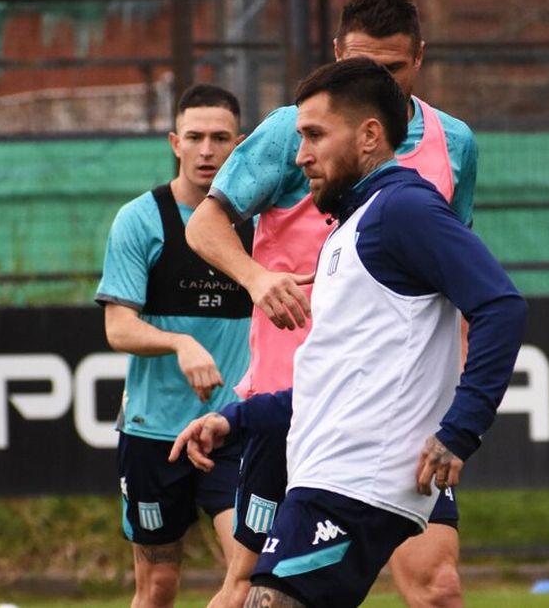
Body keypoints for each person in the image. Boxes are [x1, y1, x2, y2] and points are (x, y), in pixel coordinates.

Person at [172, 58, 526, 607]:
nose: (300, 155)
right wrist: (235, 419)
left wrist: (461, 430)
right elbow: (333, 381)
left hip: (355, 480)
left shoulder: (403, 210)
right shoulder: (351, 229)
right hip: (330, 476)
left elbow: (501, 306)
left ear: (368, 136)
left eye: (315, 135)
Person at [95, 83, 253, 607]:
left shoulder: (257, 223)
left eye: (220, 138)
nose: (207, 149)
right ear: (174, 142)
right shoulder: (141, 220)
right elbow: (118, 328)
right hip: (154, 431)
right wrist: (181, 342)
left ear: (242, 144)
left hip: (233, 429)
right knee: (158, 585)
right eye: (195, 137)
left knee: (249, 575)